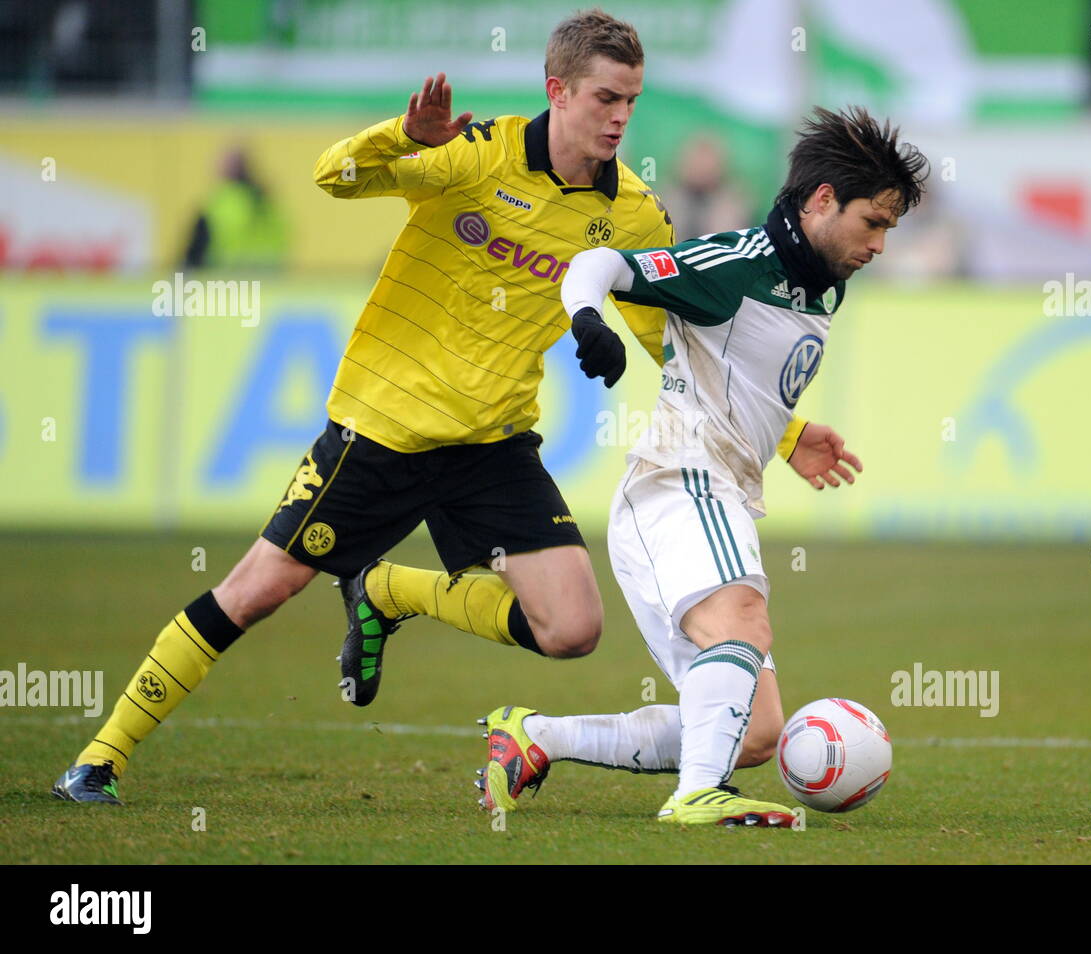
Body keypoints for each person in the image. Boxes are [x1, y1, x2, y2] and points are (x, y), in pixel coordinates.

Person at [51, 8, 685, 805]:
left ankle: (385, 590)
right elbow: (334, 177)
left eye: (631, 99)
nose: (621, 117)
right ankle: (98, 759)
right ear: (556, 90)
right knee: (257, 591)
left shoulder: (633, 213)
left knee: (573, 630)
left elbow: (673, 339)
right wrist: (405, 140)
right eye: (605, 99)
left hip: (492, 444)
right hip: (381, 430)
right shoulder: (474, 154)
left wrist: (786, 427)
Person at [477, 105, 928, 827]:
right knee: (743, 620)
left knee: (756, 733)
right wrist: (587, 317)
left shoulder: (824, 282)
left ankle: (535, 737)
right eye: (872, 223)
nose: (879, 244)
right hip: (680, 485)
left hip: (722, 496)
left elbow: (738, 371)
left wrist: (787, 431)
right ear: (820, 201)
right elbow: (600, 265)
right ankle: (694, 796)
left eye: (889, 229)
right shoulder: (735, 264)